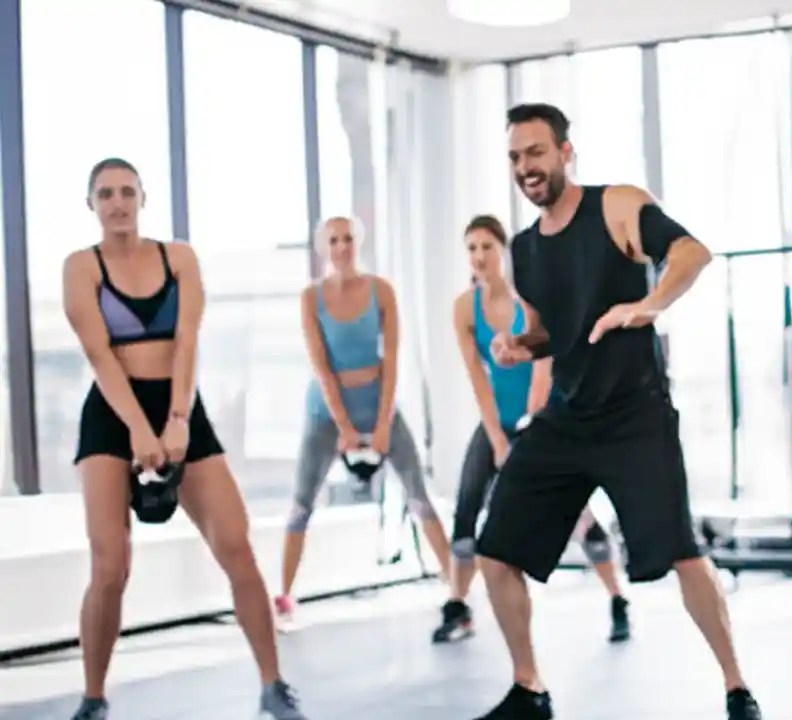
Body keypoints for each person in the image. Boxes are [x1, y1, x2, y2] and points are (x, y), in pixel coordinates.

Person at [470, 103, 762, 720]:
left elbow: (691, 252)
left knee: (683, 552)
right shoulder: (522, 249)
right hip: (567, 419)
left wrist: (649, 304)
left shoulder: (616, 205)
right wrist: (520, 345)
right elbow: (550, 329)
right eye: (516, 157)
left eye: (537, 152)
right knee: (494, 549)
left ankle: (737, 687)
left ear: (565, 154)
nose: (526, 167)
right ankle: (530, 689)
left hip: (636, 416)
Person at [62, 158, 307, 720]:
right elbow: (99, 355)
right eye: (106, 194)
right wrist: (139, 431)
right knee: (110, 568)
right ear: (92, 204)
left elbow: (187, 338)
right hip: (112, 413)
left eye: (127, 191)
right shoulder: (81, 266)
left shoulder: (179, 257)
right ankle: (94, 697)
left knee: (237, 547)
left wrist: (176, 419)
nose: (117, 202)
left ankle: (273, 685)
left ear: (143, 197)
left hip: (178, 403)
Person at [433, 213, 632, 645]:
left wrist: (529, 429)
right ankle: (457, 605)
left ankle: (617, 597)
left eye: (487, 246)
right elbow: (477, 378)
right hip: (497, 422)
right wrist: (497, 437)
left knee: (577, 515)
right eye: (471, 248)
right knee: (467, 504)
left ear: (502, 250)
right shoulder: (465, 308)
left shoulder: (528, 296)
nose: (479, 256)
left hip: (543, 418)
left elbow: (545, 362)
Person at [274, 216, 453, 624]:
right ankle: (284, 596)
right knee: (301, 504)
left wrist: (384, 422)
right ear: (323, 248)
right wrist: (344, 428)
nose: (342, 247)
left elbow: (391, 360)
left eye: (348, 238)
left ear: (360, 242)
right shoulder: (311, 298)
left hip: (377, 402)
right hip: (327, 412)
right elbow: (321, 365)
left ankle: (455, 585)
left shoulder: (381, 291)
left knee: (419, 494)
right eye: (334, 240)